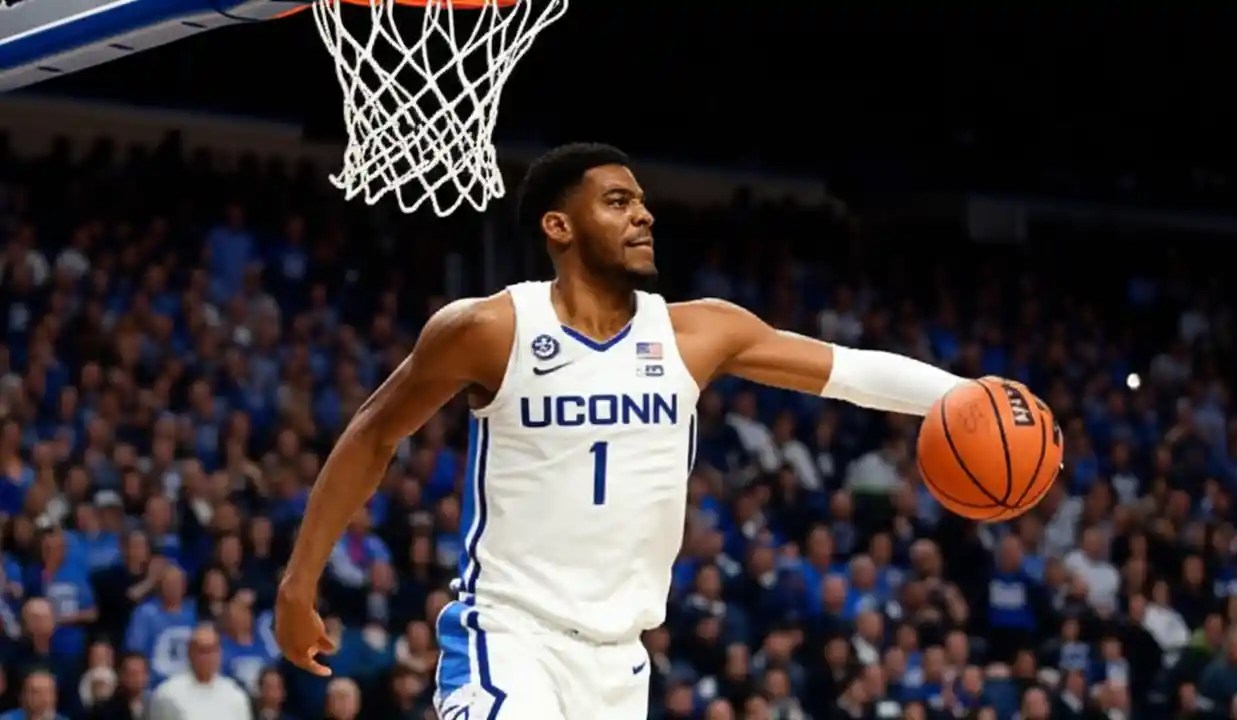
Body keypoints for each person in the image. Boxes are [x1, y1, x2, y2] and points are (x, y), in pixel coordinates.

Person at [274, 143, 991, 718]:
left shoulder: (697, 332)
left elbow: (851, 371)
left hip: (622, 663)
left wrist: (973, 395)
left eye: (643, 202)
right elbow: (372, 433)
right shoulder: (489, 328)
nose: (643, 215)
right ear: (559, 226)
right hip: (510, 640)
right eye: (618, 202)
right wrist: (298, 585)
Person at [146, 623, 252, 720]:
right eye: (202, 651)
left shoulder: (236, 695)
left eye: (212, 650)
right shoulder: (168, 693)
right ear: (190, 652)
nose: (207, 657)